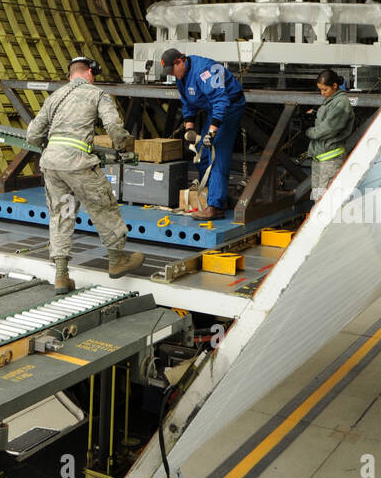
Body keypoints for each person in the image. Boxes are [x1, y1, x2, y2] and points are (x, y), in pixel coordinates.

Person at [25, 55, 144, 294]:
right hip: (79, 165)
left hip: (52, 166)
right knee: (103, 207)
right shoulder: (97, 94)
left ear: (70, 76)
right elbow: (112, 126)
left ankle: (61, 276)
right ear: (90, 73)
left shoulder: (55, 97)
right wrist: (123, 145)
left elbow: (32, 135)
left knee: (62, 213)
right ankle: (116, 260)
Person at [161, 47, 246, 220]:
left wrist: (212, 131)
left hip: (229, 108)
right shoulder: (181, 77)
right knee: (202, 152)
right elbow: (188, 103)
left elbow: (221, 101)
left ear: (180, 61)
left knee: (217, 152)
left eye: (172, 70)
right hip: (212, 110)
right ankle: (209, 196)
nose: (172, 75)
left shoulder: (204, 71)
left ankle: (216, 206)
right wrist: (189, 129)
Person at [305, 67, 355, 202]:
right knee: (318, 198)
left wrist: (309, 131)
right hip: (320, 159)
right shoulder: (331, 101)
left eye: (325, 89)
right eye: (320, 90)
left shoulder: (341, 103)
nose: (322, 93)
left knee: (326, 200)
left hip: (330, 160)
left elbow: (329, 129)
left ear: (334, 85)